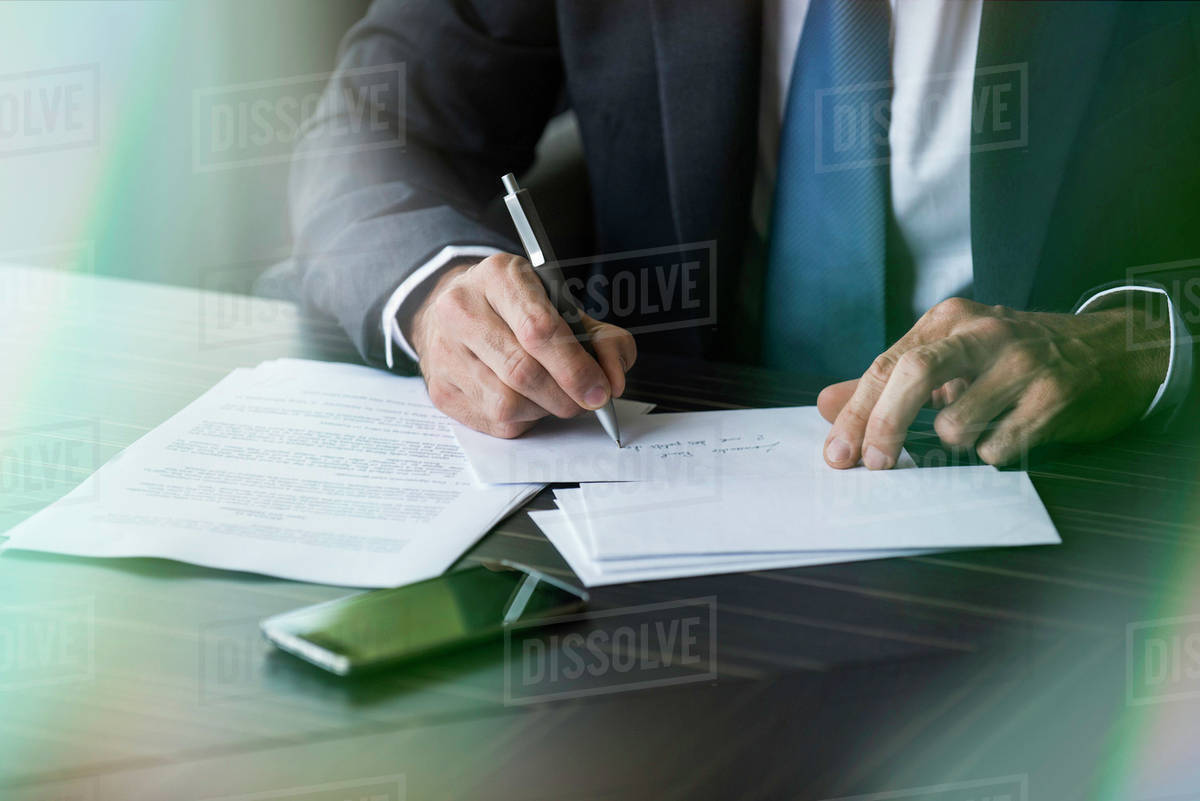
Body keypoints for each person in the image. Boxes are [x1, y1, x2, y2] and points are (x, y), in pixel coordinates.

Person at [285, 0, 1200, 469]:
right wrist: (440, 292)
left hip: (1080, 510)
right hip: (665, 478)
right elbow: (374, 127)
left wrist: (1141, 346)